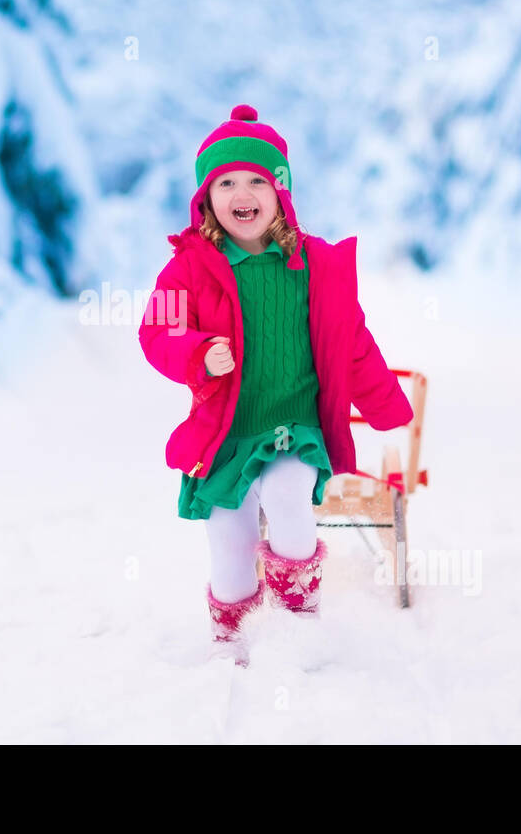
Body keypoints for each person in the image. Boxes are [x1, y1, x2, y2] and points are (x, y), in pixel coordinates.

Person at [138, 103, 414, 665]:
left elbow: (351, 342)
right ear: (206, 198)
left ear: (281, 191)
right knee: (229, 540)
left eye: (257, 180)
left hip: (294, 426)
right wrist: (194, 354)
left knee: (288, 495)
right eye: (226, 182)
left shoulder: (315, 264)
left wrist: (387, 407)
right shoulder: (188, 269)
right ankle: (232, 641)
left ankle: (300, 622)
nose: (243, 192)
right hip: (227, 435)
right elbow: (156, 329)